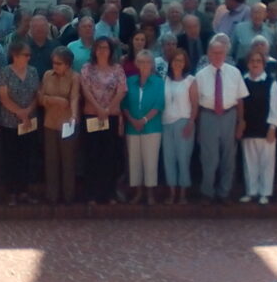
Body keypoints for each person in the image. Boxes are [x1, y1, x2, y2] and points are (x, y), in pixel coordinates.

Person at [195, 33, 249, 204]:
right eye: (214, 52)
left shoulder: (235, 73)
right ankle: (207, 192)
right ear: (208, 54)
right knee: (208, 158)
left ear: (225, 54)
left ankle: (224, 192)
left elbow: (240, 99)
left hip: (229, 116)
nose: (218, 56)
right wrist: (197, 126)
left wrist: (241, 122)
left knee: (229, 157)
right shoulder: (200, 76)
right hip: (208, 116)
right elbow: (196, 104)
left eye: (221, 53)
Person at [79, 37, 127, 205]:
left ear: (111, 50)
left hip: (111, 116)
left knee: (110, 156)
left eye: (105, 47)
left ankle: (109, 193)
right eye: (99, 47)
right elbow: (85, 89)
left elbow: (122, 90)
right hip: (92, 115)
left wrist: (107, 109)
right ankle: (91, 194)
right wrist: (99, 108)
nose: (102, 50)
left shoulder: (117, 69)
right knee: (92, 155)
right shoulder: (87, 68)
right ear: (94, 50)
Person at [0, 41, 42, 205]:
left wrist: (28, 112)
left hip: (29, 122)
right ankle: (11, 193)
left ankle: (24, 191)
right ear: (15, 55)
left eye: (29, 55)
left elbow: (37, 94)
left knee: (26, 157)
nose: (28, 57)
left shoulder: (33, 71)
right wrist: (19, 112)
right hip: (10, 123)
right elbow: (3, 97)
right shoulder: (5, 72)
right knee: (11, 158)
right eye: (25, 54)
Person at [122, 49, 165, 205]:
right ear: (136, 64)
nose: (145, 65)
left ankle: (150, 194)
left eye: (148, 62)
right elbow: (124, 104)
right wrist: (132, 120)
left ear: (152, 64)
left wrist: (144, 120)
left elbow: (159, 104)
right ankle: (138, 192)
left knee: (150, 161)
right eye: (141, 62)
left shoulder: (159, 82)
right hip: (132, 126)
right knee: (135, 161)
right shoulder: (129, 81)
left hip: (152, 127)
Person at [238, 49, 277, 205]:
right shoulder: (243, 81)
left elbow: (275, 106)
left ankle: (265, 193)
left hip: (266, 129)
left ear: (263, 64)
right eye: (252, 61)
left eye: (258, 61)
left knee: (266, 163)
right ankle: (251, 191)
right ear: (248, 64)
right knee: (249, 163)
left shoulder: (271, 82)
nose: (255, 64)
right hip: (248, 128)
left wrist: (273, 127)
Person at [39, 46, 80, 205]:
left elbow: (74, 98)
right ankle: (52, 195)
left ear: (68, 64)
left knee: (68, 160)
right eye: (54, 62)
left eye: (59, 63)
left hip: (67, 123)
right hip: (50, 122)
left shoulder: (75, 77)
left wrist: (74, 115)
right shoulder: (47, 75)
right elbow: (41, 98)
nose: (55, 66)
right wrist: (55, 100)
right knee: (51, 160)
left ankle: (69, 196)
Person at [161, 48, 197, 205]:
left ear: (185, 63)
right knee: (169, 159)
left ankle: (183, 194)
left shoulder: (190, 80)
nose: (178, 63)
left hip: (184, 122)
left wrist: (191, 122)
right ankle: (172, 193)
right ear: (171, 62)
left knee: (183, 159)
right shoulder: (165, 80)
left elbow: (195, 104)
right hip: (166, 123)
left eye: (181, 60)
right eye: (175, 60)